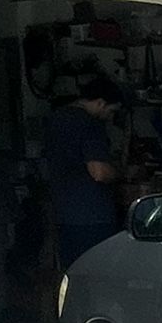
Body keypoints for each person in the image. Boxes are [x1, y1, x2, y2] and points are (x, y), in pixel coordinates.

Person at [45, 76, 122, 268]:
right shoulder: (89, 124)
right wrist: (120, 172)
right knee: (97, 274)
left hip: (64, 213)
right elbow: (99, 172)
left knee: (72, 275)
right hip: (92, 217)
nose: (110, 117)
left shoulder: (56, 118)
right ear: (100, 103)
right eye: (111, 111)